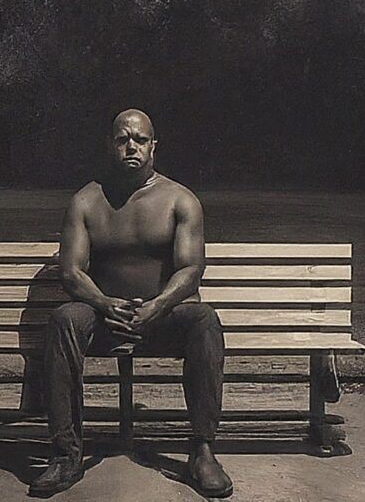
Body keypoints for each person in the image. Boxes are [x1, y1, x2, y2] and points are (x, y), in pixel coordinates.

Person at [29, 108, 233, 498]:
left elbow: (191, 269)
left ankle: (203, 451)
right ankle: (66, 453)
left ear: (153, 146)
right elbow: (71, 272)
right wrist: (105, 304)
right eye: (122, 139)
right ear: (110, 145)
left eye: (139, 139)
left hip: (164, 318)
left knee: (205, 320)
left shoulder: (179, 200)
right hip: (105, 318)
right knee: (64, 319)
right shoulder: (87, 201)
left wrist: (157, 306)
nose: (131, 147)